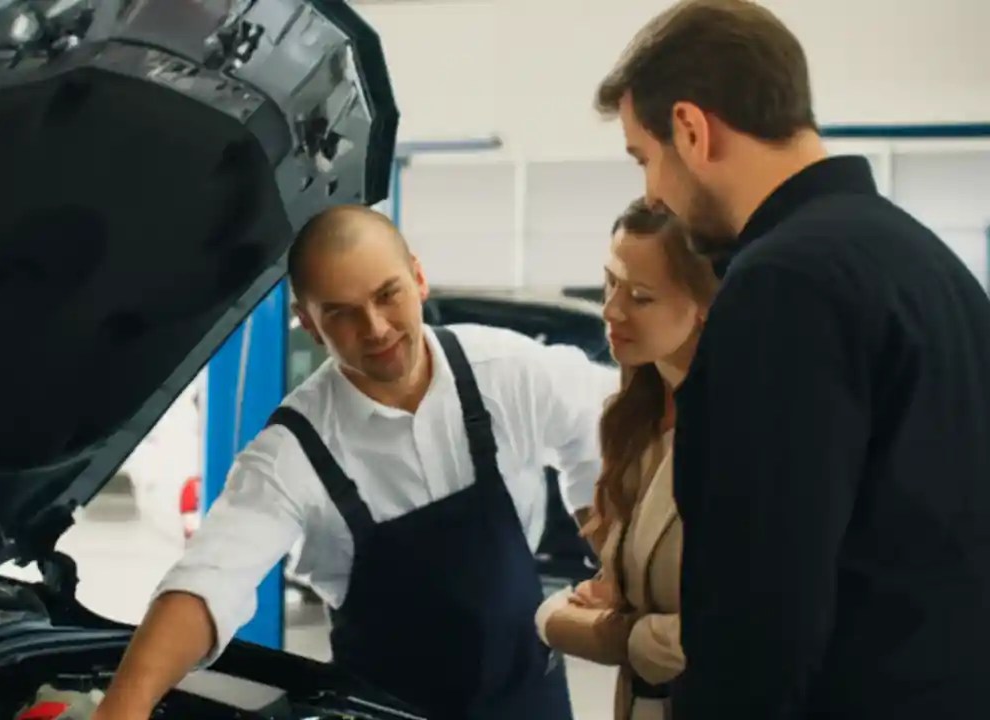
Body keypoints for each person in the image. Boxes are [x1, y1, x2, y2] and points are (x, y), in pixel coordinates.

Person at [593, 1, 990, 718]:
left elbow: (762, 608)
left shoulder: (783, 284)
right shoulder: (929, 265)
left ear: (690, 128)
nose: (651, 191)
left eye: (644, 158)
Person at [93, 204, 618, 720]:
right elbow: (210, 580)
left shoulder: (505, 372)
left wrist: (607, 546)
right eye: (341, 313)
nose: (376, 329)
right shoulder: (293, 451)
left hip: (530, 705)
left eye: (387, 295)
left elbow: (609, 422)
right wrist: (125, 707)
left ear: (418, 277)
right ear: (309, 324)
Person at [534, 199, 717, 720]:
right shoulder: (629, 417)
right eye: (610, 282)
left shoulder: (744, 433)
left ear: (704, 303)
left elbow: (732, 628)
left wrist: (594, 630)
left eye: (640, 296)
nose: (612, 310)